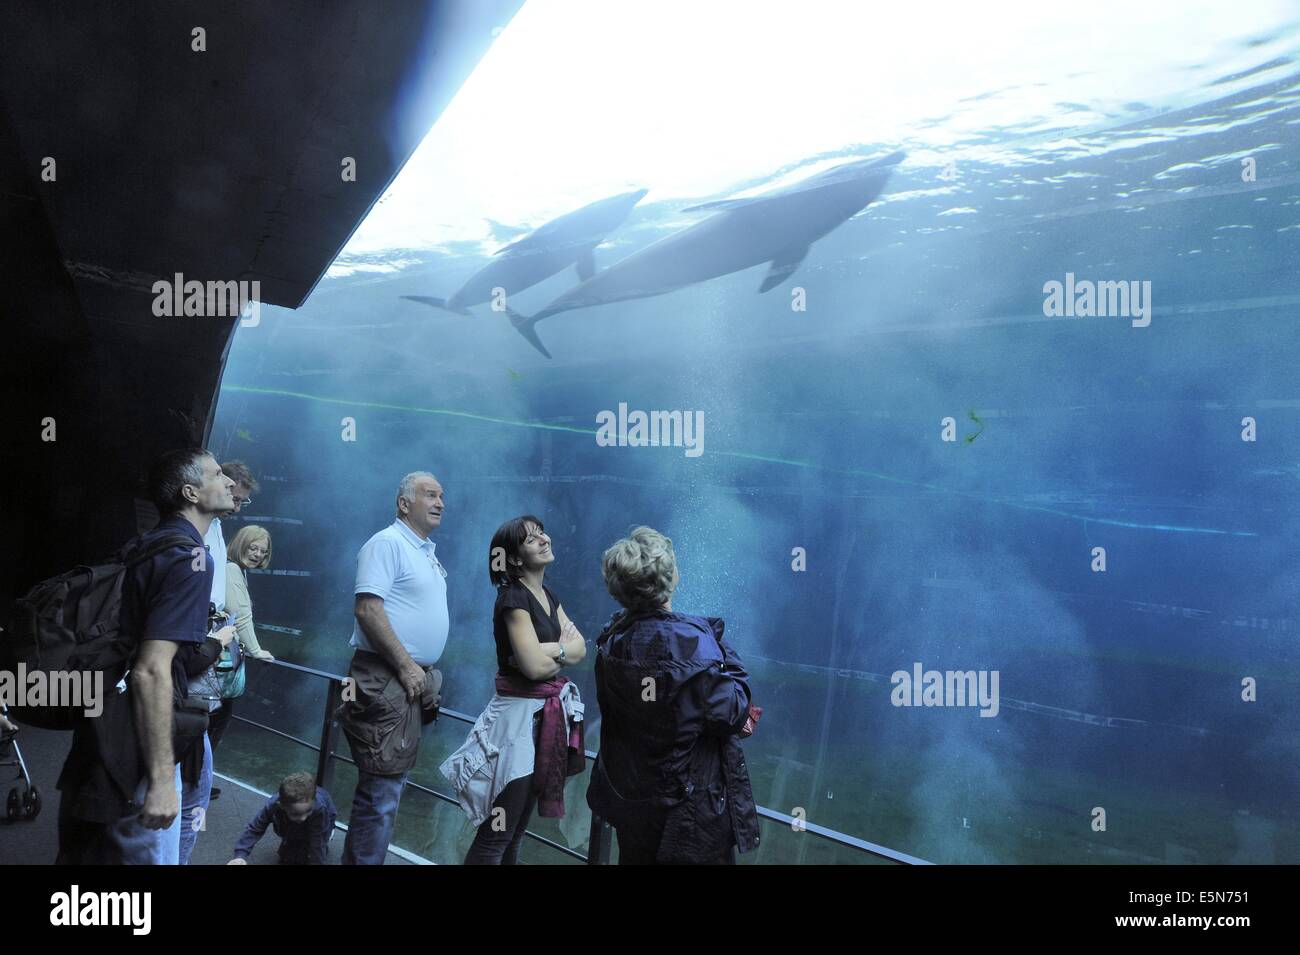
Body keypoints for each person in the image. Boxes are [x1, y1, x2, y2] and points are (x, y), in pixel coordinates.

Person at [56, 448, 237, 865]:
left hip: (103, 724)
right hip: (138, 740)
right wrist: (160, 781)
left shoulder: (147, 544)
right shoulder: (192, 558)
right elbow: (152, 670)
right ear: (190, 492)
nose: (228, 481)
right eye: (217, 474)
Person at [586, 526, 760, 865]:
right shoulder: (693, 642)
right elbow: (734, 711)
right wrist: (721, 648)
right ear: (668, 577)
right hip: (687, 815)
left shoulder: (613, 639)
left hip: (633, 805)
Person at [441, 516, 587, 865]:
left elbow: (581, 648)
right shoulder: (513, 598)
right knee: (498, 834)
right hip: (516, 727)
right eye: (531, 538)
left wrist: (546, 650)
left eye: (541, 532)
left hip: (541, 723)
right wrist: (555, 652)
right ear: (516, 558)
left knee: (516, 832)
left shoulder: (547, 594)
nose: (543, 539)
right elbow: (534, 668)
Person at [339, 472, 447, 865]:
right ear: (404, 503)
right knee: (381, 792)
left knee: (388, 788)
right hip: (389, 677)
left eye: (441, 496)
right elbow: (368, 608)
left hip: (406, 680)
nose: (439, 502)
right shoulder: (387, 543)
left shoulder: (423, 550)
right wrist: (405, 666)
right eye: (429, 495)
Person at [202, 460, 257, 802]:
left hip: (213, 634)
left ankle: (197, 780)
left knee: (214, 711)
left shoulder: (219, 528)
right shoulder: (202, 526)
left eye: (242, 502)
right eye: (236, 498)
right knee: (205, 712)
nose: (237, 507)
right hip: (202, 636)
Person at [206, 525, 273, 759]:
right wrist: (256, 650)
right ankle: (193, 785)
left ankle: (195, 782)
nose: (257, 554)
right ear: (241, 544)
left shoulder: (237, 570)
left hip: (218, 659)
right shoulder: (232, 569)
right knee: (214, 721)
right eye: (253, 548)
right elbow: (241, 615)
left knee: (213, 722)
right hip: (218, 662)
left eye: (263, 551)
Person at [227, 772, 337, 865]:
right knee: (288, 855)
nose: (303, 818)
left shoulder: (319, 809)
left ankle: (326, 835)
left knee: (312, 847)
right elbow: (255, 828)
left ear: (313, 802)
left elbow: (317, 843)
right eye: (296, 814)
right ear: (282, 806)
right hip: (287, 820)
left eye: (307, 811)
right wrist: (240, 856)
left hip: (321, 822)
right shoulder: (273, 805)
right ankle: (293, 839)